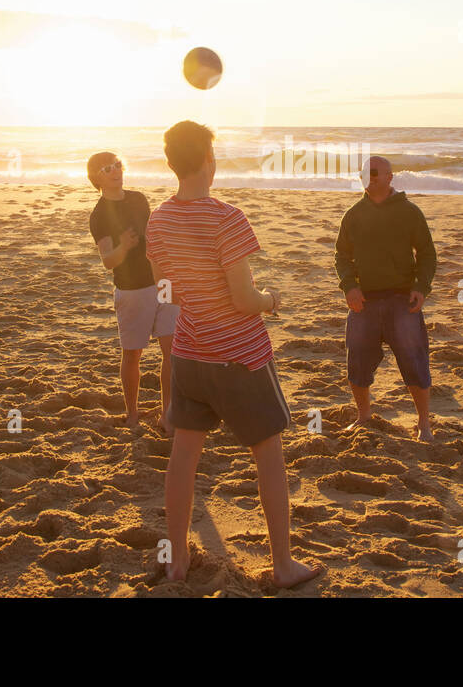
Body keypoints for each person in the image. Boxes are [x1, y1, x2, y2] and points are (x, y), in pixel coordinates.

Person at [144, 120, 321, 589]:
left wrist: (199, 293)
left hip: (189, 352)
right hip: (239, 356)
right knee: (268, 454)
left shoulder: (158, 219)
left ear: (171, 163)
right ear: (208, 160)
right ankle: (283, 564)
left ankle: (178, 559)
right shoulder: (227, 218)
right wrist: (270, 300)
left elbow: (165, 292)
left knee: (184, 454)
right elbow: (244, 300)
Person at [335, 156, 438, 441]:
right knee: (357, 362)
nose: (370, 176)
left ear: (390, 177)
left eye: (376, 172)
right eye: (365, 172)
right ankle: (364, 415)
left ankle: (423, 424)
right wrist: (349, 287)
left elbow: (427, 254)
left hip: (402, 301)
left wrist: (421, 286)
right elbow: (341, 256)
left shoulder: (409, 213)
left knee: (414, 362)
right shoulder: (354, 215)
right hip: (363, 302)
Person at [87, 151, 178, 434]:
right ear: (96, 178)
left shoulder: (138, 199)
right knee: (133, 354)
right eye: (107, 168)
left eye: (118, 165)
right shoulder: (99, 215)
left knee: (172, 352)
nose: (116, 171)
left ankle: (168, 415)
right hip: (131, 290)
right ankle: (132, 414)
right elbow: (107, 261)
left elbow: (156, 235)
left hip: (162, 282)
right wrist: (124, 247)